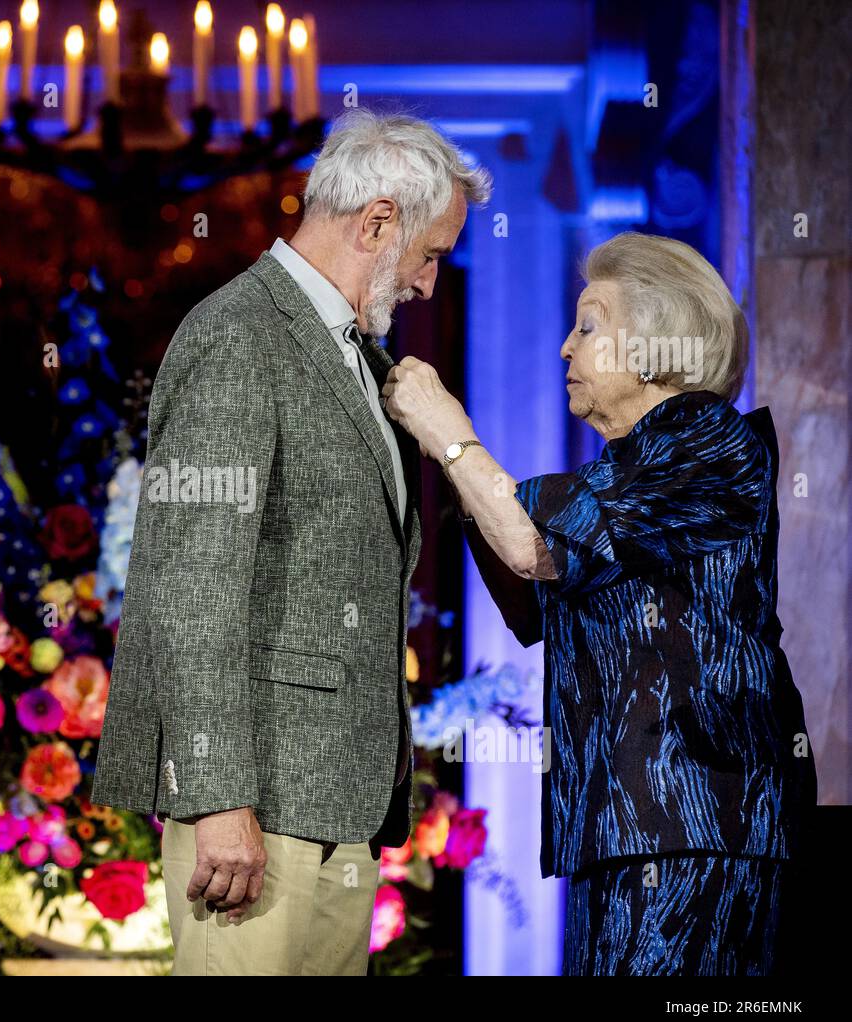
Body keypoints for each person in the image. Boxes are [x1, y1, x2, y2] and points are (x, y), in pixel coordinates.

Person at [91, 109, 490, 975]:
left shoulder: (356, 353)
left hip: (336, 804)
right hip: (255, 811)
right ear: (377, 220)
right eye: (430, 253)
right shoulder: (240, 333)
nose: (428, 282)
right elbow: (192, 583)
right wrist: (219, 797)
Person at [382, 231, 817, 975]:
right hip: (629, 829)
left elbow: (532, 547)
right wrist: (458, 468)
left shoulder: (707, 441)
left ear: (653, 346)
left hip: (694, 826)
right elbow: (531, 593)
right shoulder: (635, 464)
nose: (563, 348)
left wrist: (451, 434)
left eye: (588, 325)